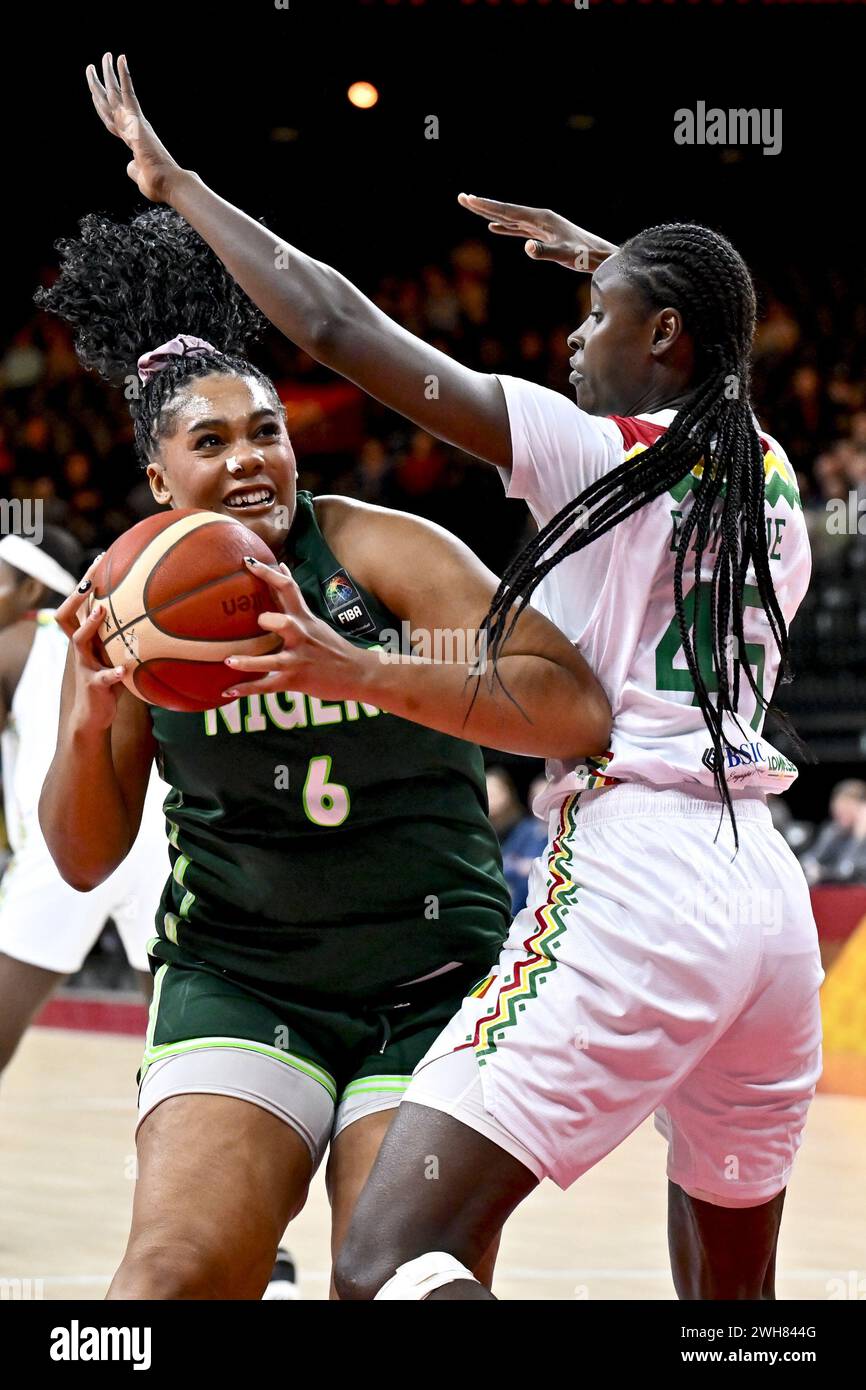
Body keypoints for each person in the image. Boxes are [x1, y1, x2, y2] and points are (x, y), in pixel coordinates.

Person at [82, 55, 822, 1302]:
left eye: (598, 321)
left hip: (640, 870)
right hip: (768, 895)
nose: (571, 339)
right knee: (734, 1303)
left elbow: (332, 325)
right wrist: (612, 260)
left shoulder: (591, 451)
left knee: (383, 1254)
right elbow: (709, 345)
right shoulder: (773, 471)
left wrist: (183, 186)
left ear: (661, 338)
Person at [35, 64, 610, 1303]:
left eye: (268, 432)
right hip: (240, 974)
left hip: (430, 974)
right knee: (166, 1281)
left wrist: (363, 667)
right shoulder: (134, 610)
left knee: (388, 1277)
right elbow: (84, 859)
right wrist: (94, 704)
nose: (251, 459)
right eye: (213, 441)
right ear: (156, 478)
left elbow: (567, 706)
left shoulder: (381, 556)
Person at [0, 528, 169, 1079]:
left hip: (67, 844)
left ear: (31, 591)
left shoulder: (15, 644)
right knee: (172, 1040)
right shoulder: (119, 635)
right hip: (157, 840)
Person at [485, 766, 547, 914]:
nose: (539, 803)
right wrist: (519, 866)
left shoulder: (519, 823)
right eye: (534, 797)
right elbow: (502, 862)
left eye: (544, 797)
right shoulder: (527, 828)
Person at [799, 779, 866, 885]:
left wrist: (858, 838)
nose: (840, 814)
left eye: (847, 808)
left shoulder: (861, 837)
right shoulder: (833, 830)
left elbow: (846, 870)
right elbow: (808, 859)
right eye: (838, 810)